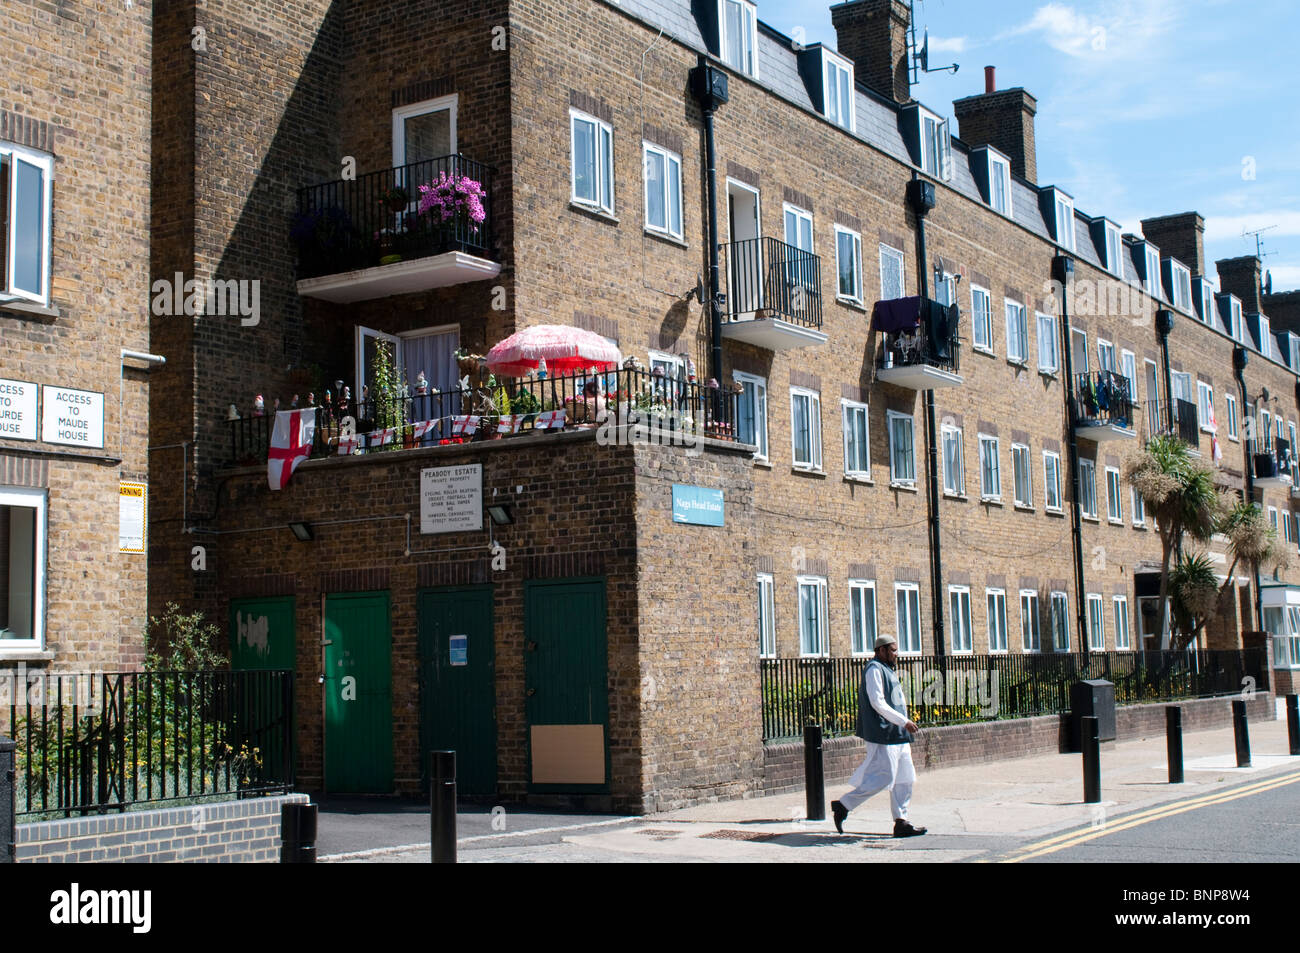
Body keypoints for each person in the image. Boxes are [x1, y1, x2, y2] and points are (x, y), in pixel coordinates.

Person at [831, 633, 927, 838]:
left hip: (899, 734)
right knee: (884, 777)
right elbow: (877, 702)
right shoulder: (874, 669)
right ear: (881, 650)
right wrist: (904, 721)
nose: (896, 653)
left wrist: (903, 724)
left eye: (895, 649)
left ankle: (901, 822)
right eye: (892, 650)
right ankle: (843, 805)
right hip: (884, 733)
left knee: (905, 778)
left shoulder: (888, 669)